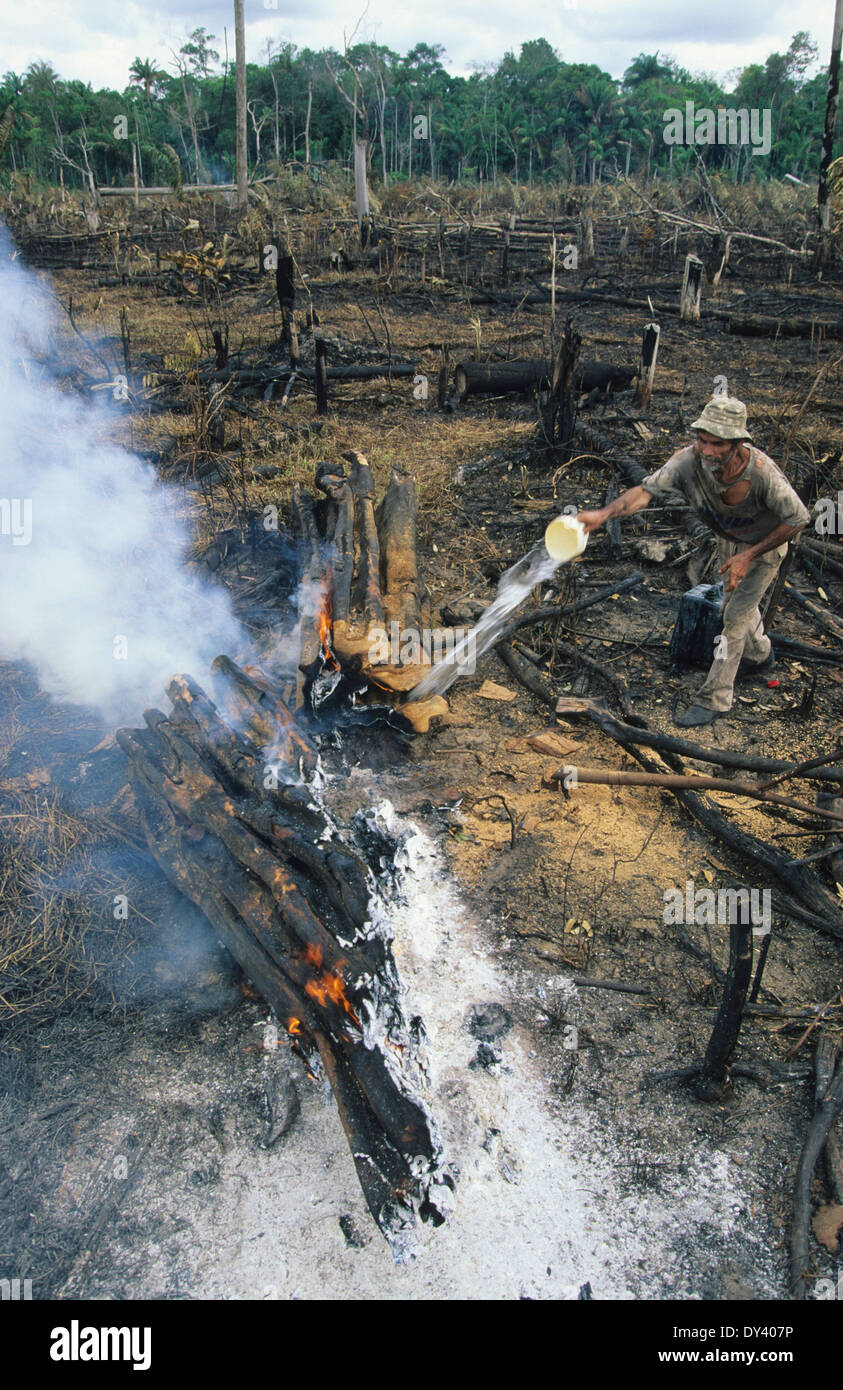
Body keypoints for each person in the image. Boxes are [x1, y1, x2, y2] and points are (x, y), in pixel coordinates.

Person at [577, 396, 811, 727]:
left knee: (734, 616)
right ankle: (760, 655)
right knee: (738, 603)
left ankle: (714, 700)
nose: (708, 450)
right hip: (730, 542)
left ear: (738, 443)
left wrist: (750, 554)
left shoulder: (762, 474)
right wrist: (604, 514)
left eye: (718, 443)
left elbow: (798, 518)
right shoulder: (688, 461)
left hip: (765, 547)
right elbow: (645, 492)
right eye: (703, 440)